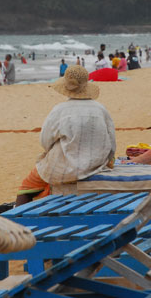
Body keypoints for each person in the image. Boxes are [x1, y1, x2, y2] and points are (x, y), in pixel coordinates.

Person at [15, 65, 115, 205]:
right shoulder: (100, 109)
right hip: (96, 165)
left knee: (26, 187)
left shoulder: (60, 110)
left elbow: (45, 141)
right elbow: (112, 143)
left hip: (64, 168)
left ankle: (18, 219)